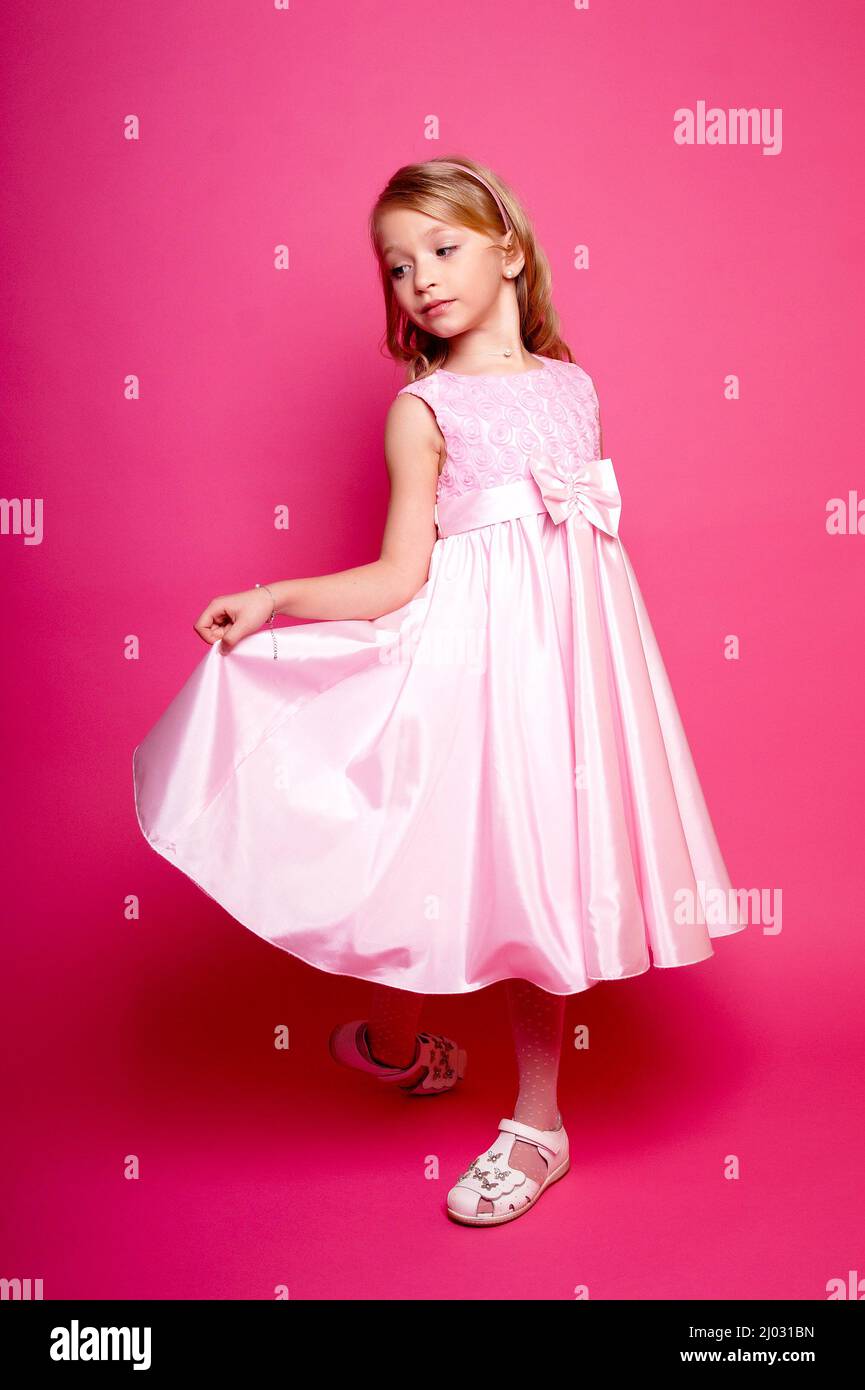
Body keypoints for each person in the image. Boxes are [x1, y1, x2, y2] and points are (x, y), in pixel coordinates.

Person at [132, 155, 745, 1227]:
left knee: (536, 877)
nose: (419, 277)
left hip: (565, 679)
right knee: (421, 853)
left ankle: (536, 1124)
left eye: (442, 248)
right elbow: (399, 571)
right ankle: (403, 1045)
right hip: (465, 663)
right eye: (396, 265)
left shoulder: (573, 385)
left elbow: (575, 557)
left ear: (508, 248)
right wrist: (275, 597)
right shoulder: (423, 408)